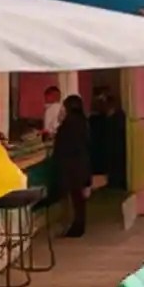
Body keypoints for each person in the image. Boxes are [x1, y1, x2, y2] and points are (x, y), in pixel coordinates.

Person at [52, 95, 91, 238]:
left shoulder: (67, 125)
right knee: (79, 199)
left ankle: (74, 227)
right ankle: (78, 226)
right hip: (82, 165)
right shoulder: (83, 122)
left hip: (70, 167)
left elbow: (61, 147)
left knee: (72, 199)